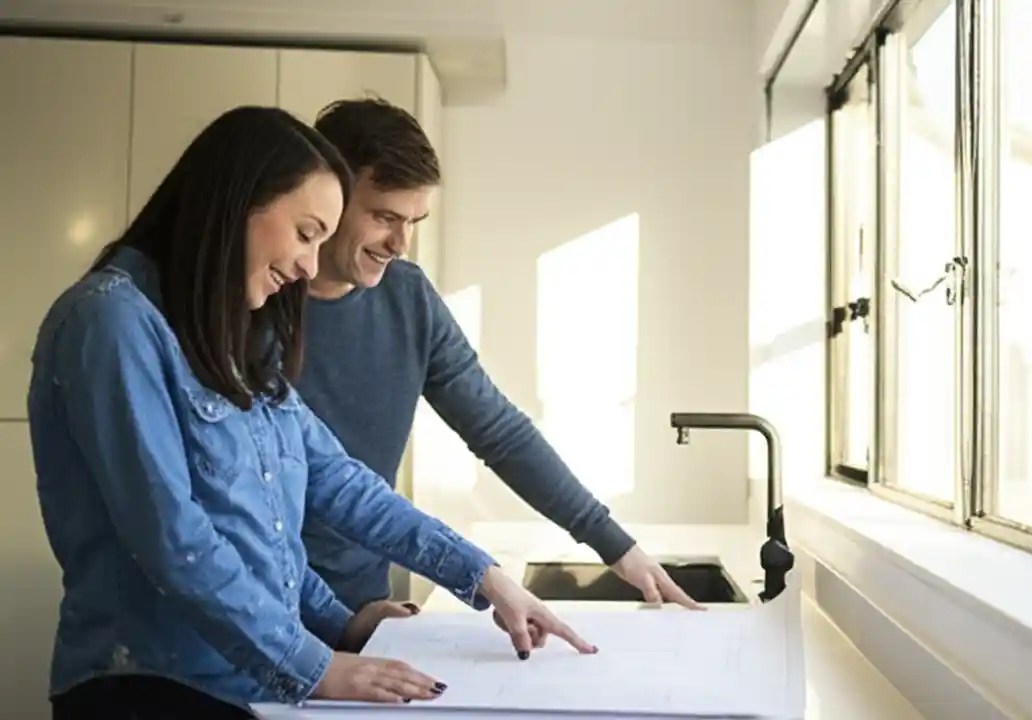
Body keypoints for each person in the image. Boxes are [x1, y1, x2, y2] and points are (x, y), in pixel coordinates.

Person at [28, 106, 594, 719]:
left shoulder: (233, 333)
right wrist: (316, 664)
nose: (307, 267)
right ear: (238, 202)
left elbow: (328, 485)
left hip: (249, 682)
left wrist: (476, 581)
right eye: (305, 234)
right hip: (150, 687)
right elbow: (175, 541)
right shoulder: (111, 321)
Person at [296, 97, 701, 613]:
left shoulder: (408, 298)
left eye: (414, 220)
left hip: (361, 607)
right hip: (252, 616)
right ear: (327, 195)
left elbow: (499, 430)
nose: (401, 242)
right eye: (383, 217)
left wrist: (615, 545)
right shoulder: (253, 302)